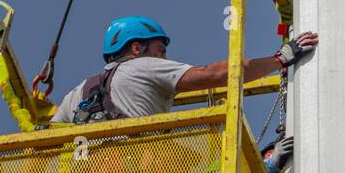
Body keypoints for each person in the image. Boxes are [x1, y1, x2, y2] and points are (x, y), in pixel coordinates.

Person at [48, 16, 318, 124]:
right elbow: (217, 73)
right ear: (136, 49)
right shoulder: (144, 67)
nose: (165, 57)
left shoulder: (76, 94)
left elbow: (47, 139)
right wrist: (280, 58)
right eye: (160, 50)